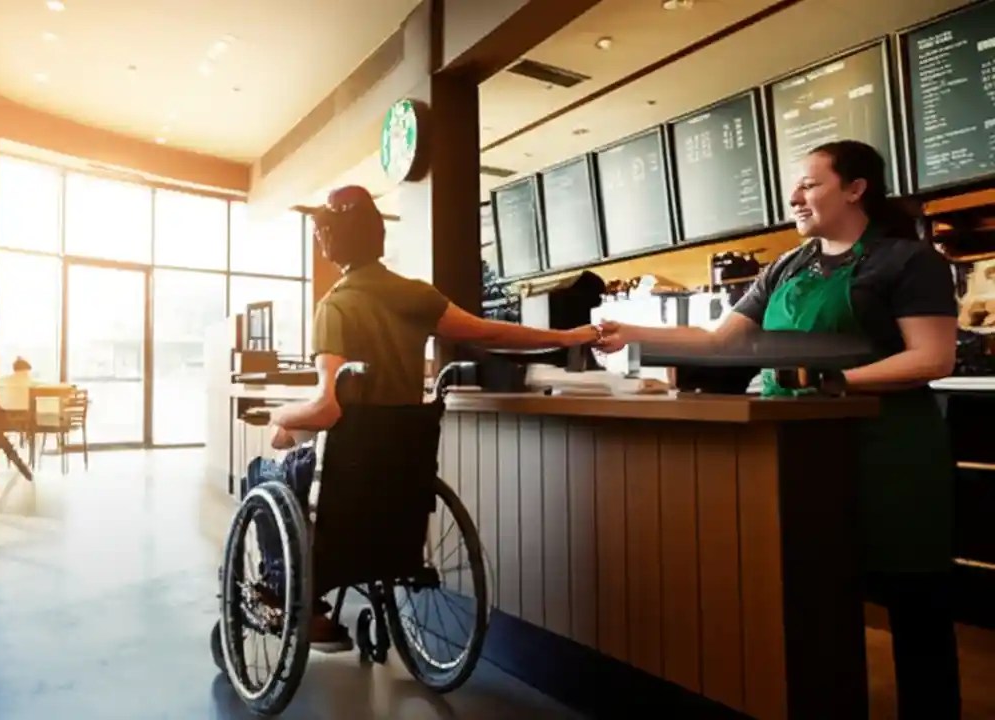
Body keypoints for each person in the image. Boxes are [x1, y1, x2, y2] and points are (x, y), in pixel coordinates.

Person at [597, 140, 960, 718]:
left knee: (915, 606)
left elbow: (932, 359)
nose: (794, 196)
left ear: (856, 188)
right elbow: (722, 342)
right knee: (815, 602)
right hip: (796, 456)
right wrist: (630, 335)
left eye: (810, 184)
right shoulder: (788, 266)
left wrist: (833, 382)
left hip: (889, 454)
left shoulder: (906, 261)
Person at [252, 184, 602, 651]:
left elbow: (328, 407)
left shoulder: (333, 306)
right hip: (401, 465)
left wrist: (280, 417)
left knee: (263, 477)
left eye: (322, 232)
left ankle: (294, 603)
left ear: (335, 237)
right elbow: (491, 332)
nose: (319, 241)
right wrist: (567, 336)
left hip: (346, 466)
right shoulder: (414, 295)